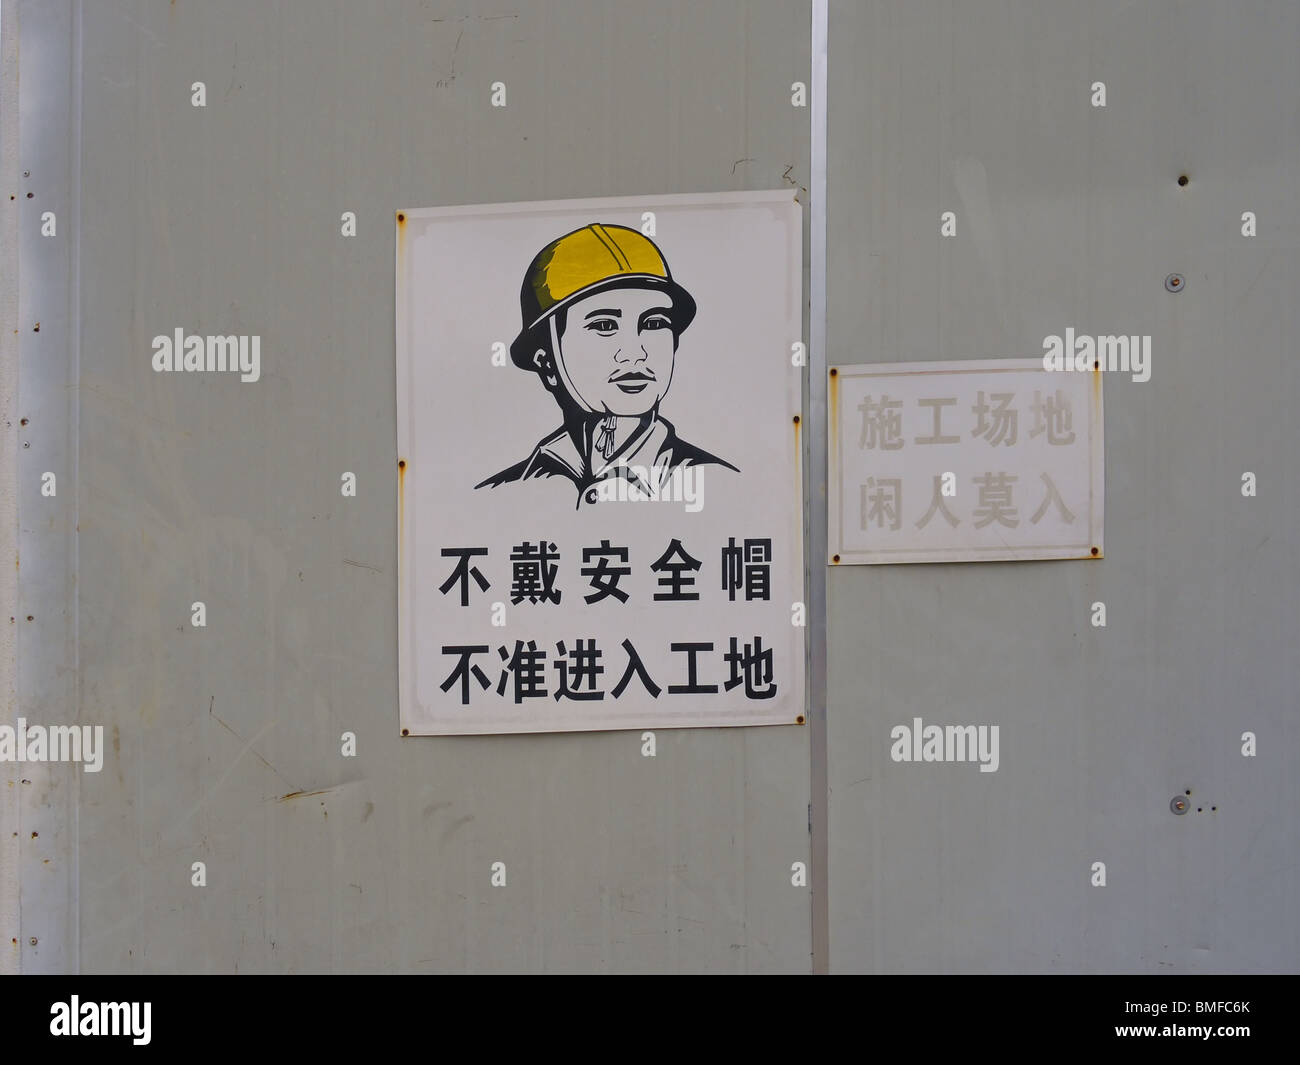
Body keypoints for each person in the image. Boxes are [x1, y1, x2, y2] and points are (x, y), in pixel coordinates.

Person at [476, 223, 738, 506]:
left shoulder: (719, 486)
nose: (635, 353)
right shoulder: (501, 494)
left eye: (653, 323)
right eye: (604, 325)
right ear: (547, 362)